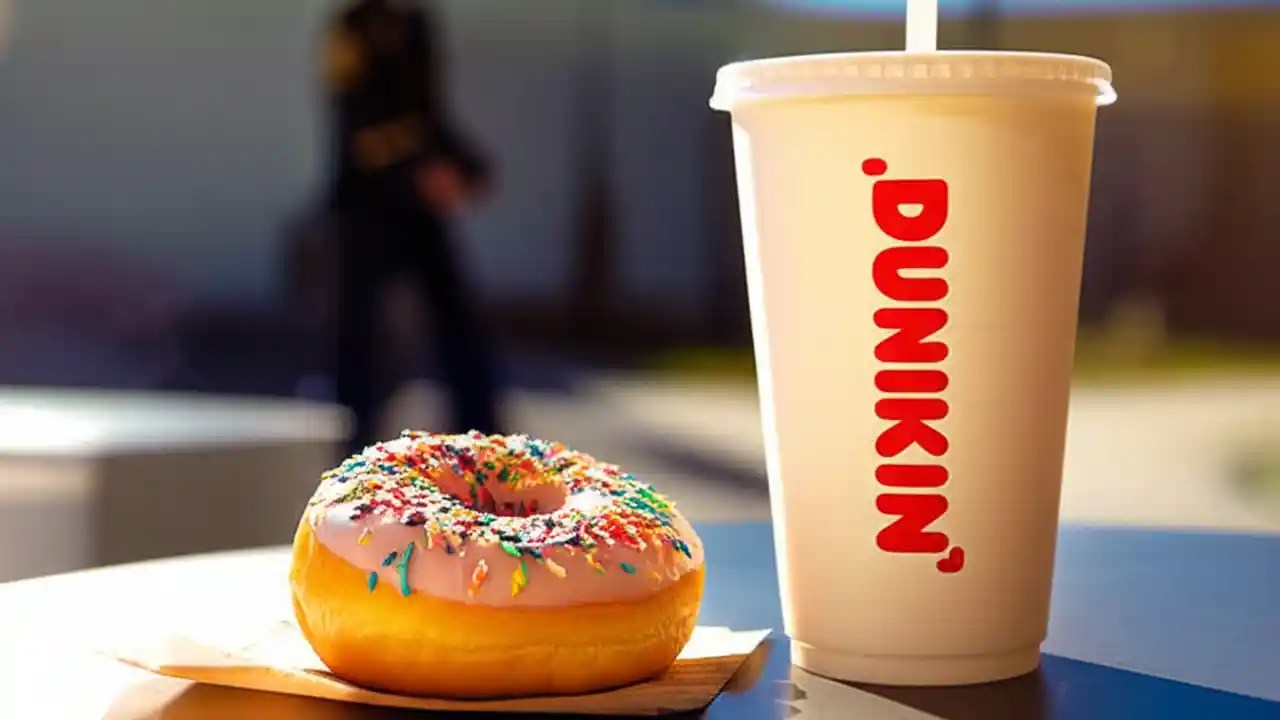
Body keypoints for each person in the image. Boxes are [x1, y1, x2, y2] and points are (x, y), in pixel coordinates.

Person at [322, 0, 502, 453]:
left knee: (456, 318)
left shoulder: (419, 24)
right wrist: (418, 174)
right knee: (360, 330)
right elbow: (357, 128)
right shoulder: (351, 27)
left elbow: (428, 116)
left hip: (418, 209)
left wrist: (469, 166)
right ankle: (354, 438)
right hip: (367, 204)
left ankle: (482, 440)